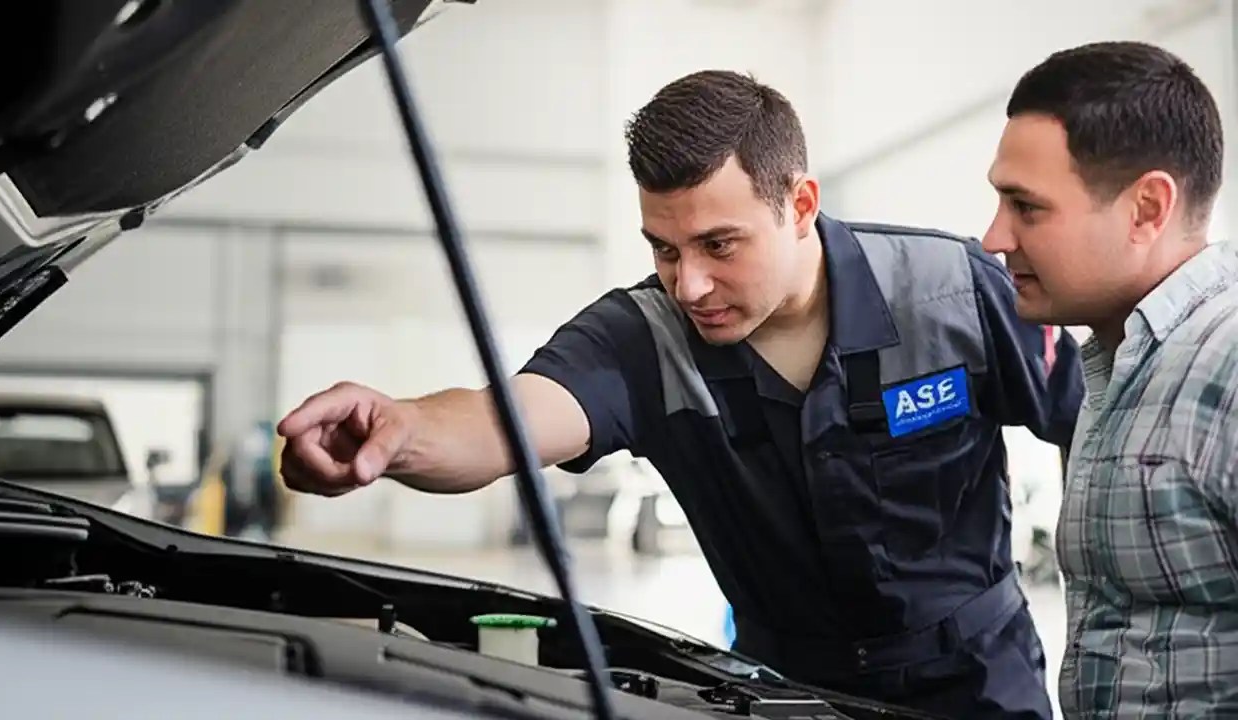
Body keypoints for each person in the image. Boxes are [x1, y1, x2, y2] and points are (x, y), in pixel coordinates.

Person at [278, 69, 1084, 718]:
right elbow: (508, 418)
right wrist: (402, 430)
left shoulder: (951, 294)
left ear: (800, 205)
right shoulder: (644, 336)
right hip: (786, 693)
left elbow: (1093, 430)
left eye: (718, 244)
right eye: (663, 249)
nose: (689, 283)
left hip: (977, 686)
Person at [983, 40, 1238, 719]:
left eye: (1026, 208)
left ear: (1147, 208)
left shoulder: (1228, 368)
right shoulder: (1118, 364)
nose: (993, 238)